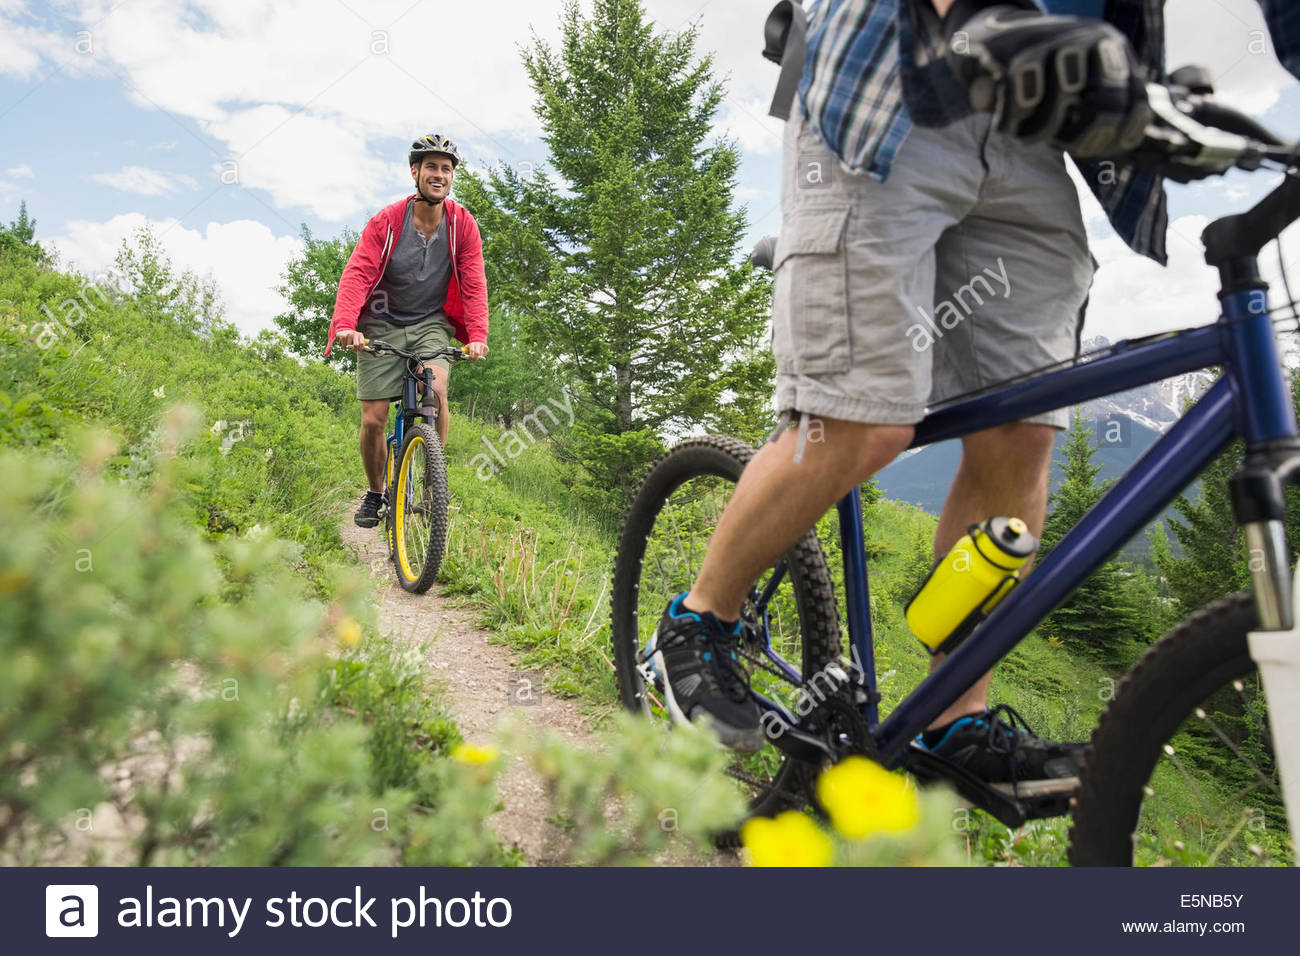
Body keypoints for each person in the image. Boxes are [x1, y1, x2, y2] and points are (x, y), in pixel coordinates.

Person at [647, 0, 1300, 793]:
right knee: (863, 425)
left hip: (1032, 129)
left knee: (1023, 433)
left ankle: (951, 719)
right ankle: (699, 618)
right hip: (882, 88)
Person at [324, 133, 490, 528]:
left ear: (451, 177)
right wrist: (347, 325)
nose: (439, 175)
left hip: (430, 322)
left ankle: (434, 482)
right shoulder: (386, 221)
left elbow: (473, 281)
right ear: (415, 172)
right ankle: (376, 491)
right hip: (380, 323)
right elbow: (357, 273)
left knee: (437, 388)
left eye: (446, 169)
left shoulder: (461, 225)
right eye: (431, 167)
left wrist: (478, 335)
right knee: (374, 419)